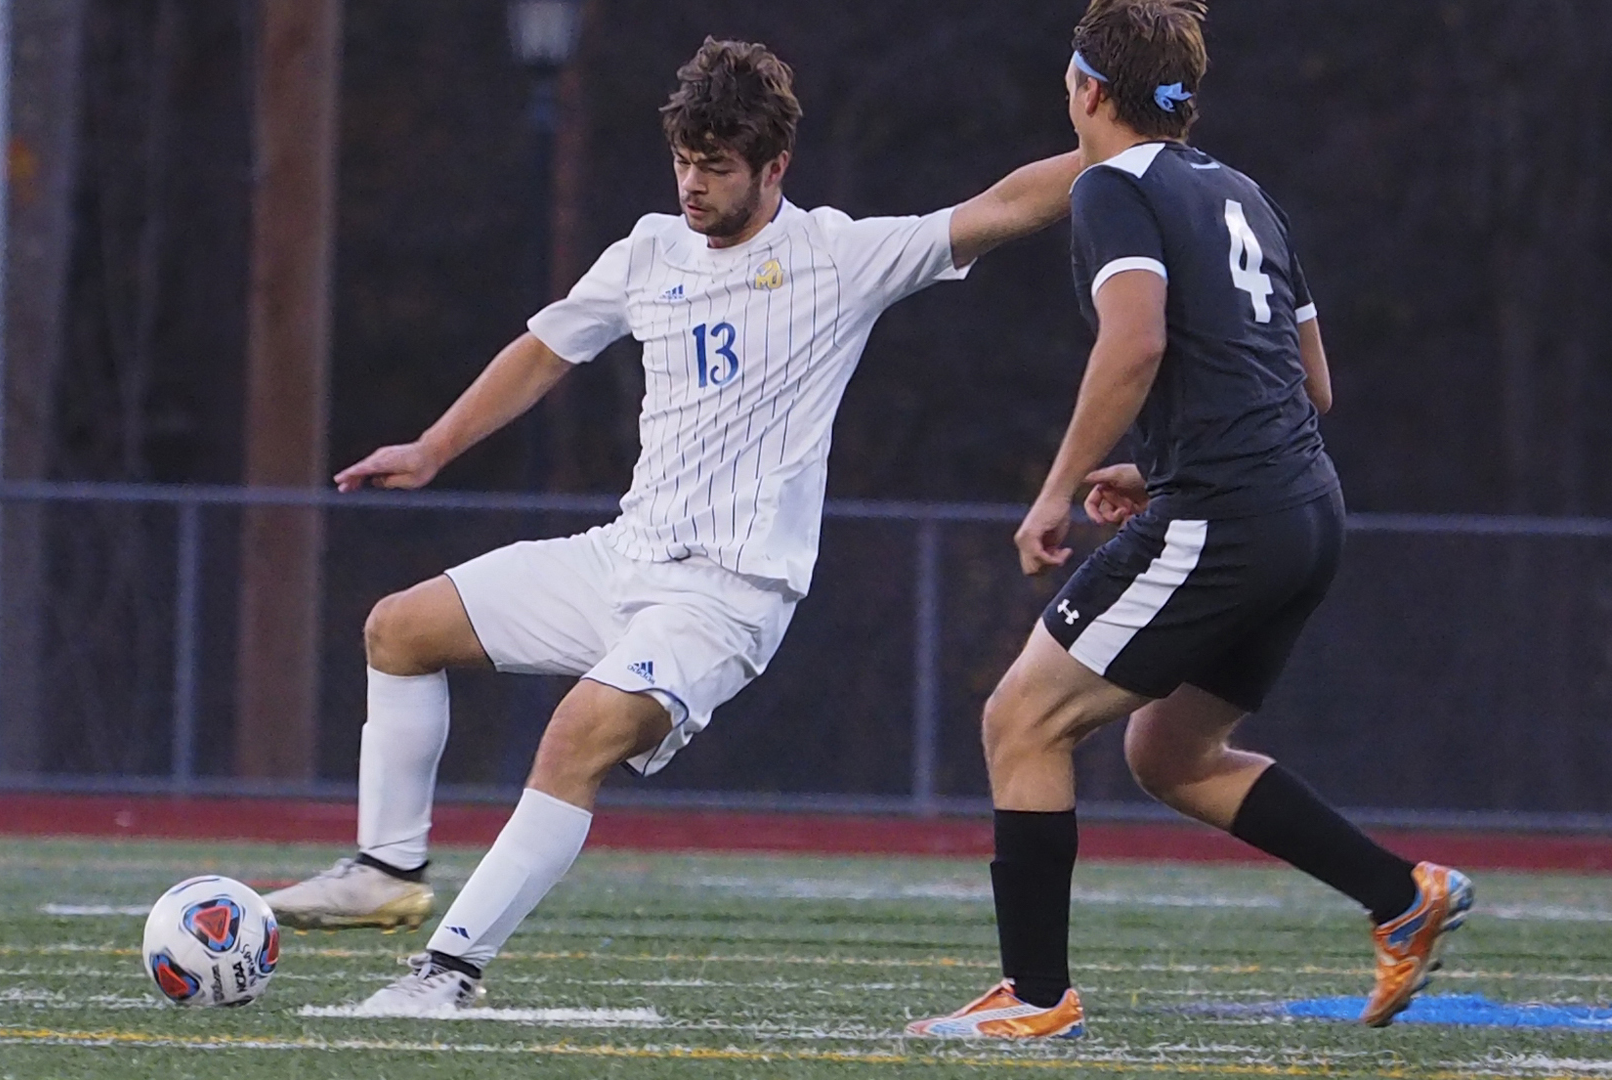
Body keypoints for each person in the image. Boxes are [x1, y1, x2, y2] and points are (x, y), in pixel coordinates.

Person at [263, 36, 1081, 1014]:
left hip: (726, 598)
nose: (693, 183)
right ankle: (386, 869)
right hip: (622, 558)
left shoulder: (837, 257)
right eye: (685, 160)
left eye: (717, 166)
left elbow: (1001, 207)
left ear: (774, 168)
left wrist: (1123, 153)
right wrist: (434, 447)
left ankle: (446, 974)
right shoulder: (648, 251)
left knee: (577, 735)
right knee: (399, 627)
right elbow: (545, 348)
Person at [903, 0, 1472, 1041]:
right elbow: (1315, 385)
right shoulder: (1244, 192)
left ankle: (1036, 997)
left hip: (1229, 516)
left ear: (1089, 90)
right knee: (1171, 753)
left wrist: (1056, 488)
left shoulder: (1111, 186)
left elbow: (1134, 343)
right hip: (1306, 509)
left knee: (1021, 721)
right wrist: (1160, 460)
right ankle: (1402, 895)